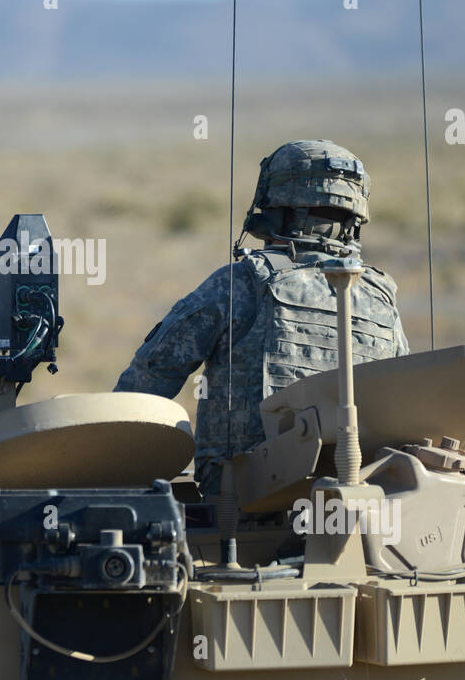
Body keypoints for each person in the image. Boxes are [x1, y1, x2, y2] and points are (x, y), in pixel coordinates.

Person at [114, 140, 410, 498]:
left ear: (274, 208)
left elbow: (150, 376)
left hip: (241, 504)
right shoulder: (381, 297)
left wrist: (104, 466)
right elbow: (401, 406)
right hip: (356, 500)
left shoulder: (241, 283)